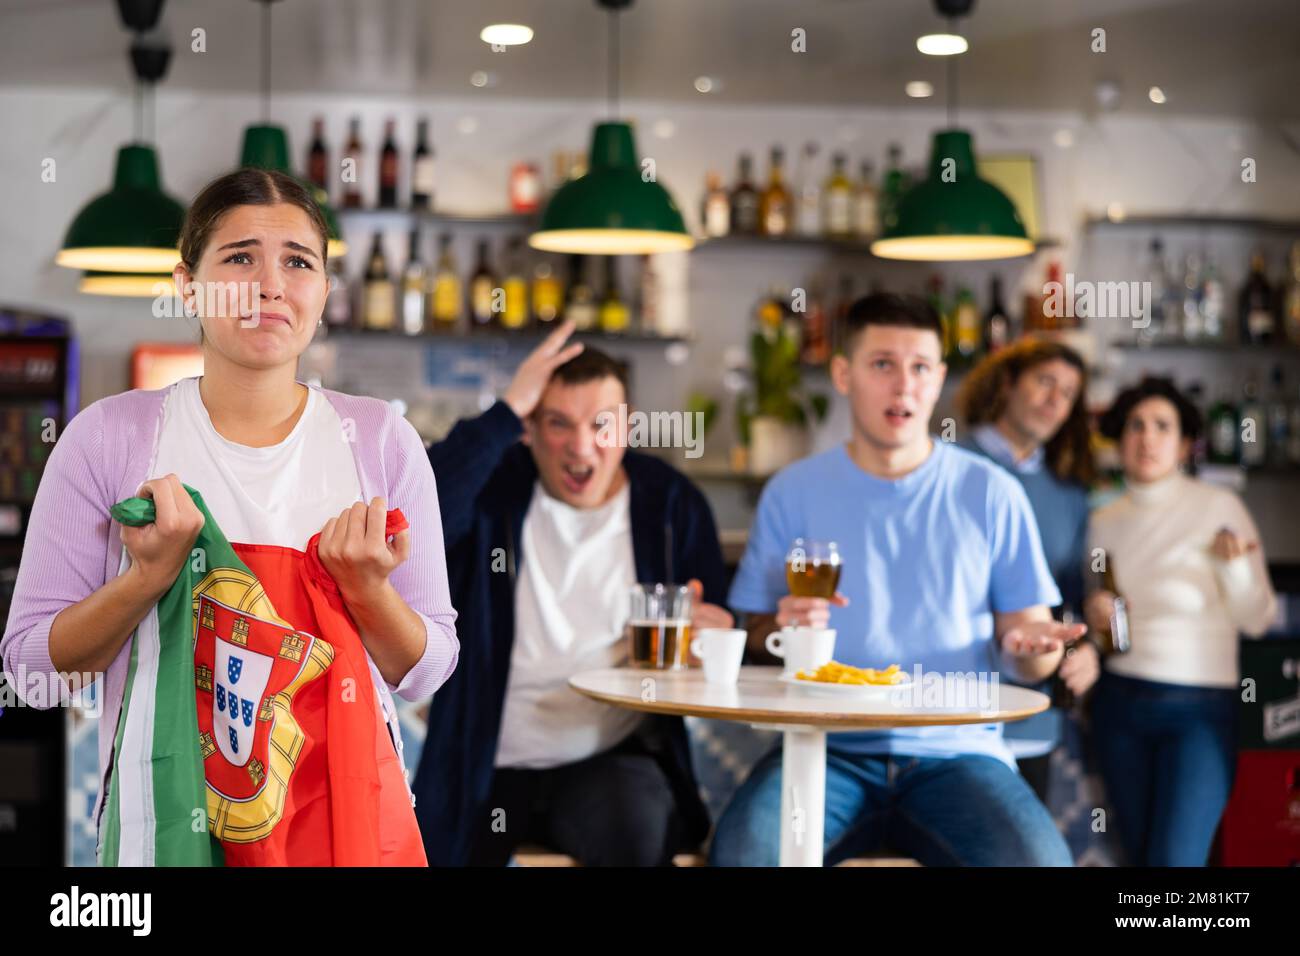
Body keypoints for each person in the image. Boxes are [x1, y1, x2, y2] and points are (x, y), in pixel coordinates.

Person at [1, 168, 458, 864]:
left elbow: (427, 670)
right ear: (188, 284)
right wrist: (144, 580)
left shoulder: (378, 441)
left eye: (298, 261)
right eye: (240, 256)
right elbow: (32, 675)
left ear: (326, 292)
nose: (270, 283)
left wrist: (367, 591)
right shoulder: (109, 438)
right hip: (168, 828)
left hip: (346, 823)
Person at [710, 293, 1083, 867]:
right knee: (743, 857)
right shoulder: (792, 490)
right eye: (882, 364)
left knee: (1042, 864)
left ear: (938, 380)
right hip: (821, 748)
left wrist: (1034, 651)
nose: (903, 386)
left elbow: (1028, 651)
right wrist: (776, 629)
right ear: (843, 374)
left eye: (919, 368)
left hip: (958, 755)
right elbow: (757, 635)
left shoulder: (991, 493)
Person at [414, 324, 730, 866]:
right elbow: (418, 516)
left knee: (639, 839)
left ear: (628, 427)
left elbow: (721, 620)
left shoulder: (671, 502)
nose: (581, 446)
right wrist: (507, 408)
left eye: (601, 425)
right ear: (529, 429)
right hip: (484, 762)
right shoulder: (497, 485)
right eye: (557, 423)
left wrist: (713, 633)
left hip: (606, 759)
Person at [1086, 376, 1277, 866]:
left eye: (1162, 426)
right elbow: (1106, 632)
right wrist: (1097, 620)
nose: (1147, 438)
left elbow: (1259, 620)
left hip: (1200, 711)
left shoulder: (1219, 507)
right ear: (1118, 437)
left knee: (1175, 864)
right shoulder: (1102, 520)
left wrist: (1232, 567)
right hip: (1118, 705)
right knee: (1138, 858)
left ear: (1185, 442)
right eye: (1135, 426)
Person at [956, 340, 1101, 802]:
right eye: (1044, 382)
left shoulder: (1070, 494)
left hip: (1031, 711)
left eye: (1069, 392)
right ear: (1007, 383)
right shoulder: (945, 465)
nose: (1055, 400)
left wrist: (1086, 650)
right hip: (946, 708)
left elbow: (1070, 599)